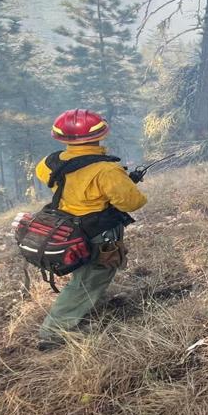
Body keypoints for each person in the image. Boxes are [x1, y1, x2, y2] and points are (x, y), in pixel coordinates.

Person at [34, 108, 147, 350]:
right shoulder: (106, 170)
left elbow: (44, 175)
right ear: (100, 134)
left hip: (65, 228)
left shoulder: (50, 162)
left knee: (84, 273)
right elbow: (132, 202)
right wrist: (123, 184)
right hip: (96, 234)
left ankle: (87, 307)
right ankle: (52, 332)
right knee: (91, 278)